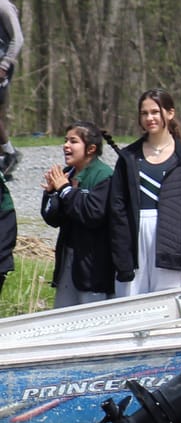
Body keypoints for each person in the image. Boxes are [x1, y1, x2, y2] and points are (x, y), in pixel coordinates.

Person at [108, 88, 181, 296]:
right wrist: (122, 258)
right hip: (135, 245)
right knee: (130, 311)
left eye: (155, 112)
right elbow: (116, 211)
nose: (149, 118)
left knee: (166, 308)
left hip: (171, 244)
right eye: (144, 113)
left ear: (170, 113)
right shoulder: (128, 158)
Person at [40, 121, 115, 306]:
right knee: (62, 318)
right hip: (68, 258)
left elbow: (92, 214)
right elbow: (52, 219)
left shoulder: (103, 176)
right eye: (65, 140)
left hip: (93, 266)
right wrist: (51, 193)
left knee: (89, 320)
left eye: (73, 141)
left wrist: (65, 190)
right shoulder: (66, 175)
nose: (66, 145)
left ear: (90, 149)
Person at [0, 0, 23, 179]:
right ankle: (6, 154)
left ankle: (9, 154)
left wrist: (4, 65)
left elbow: (18, 39)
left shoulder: (3, 6)